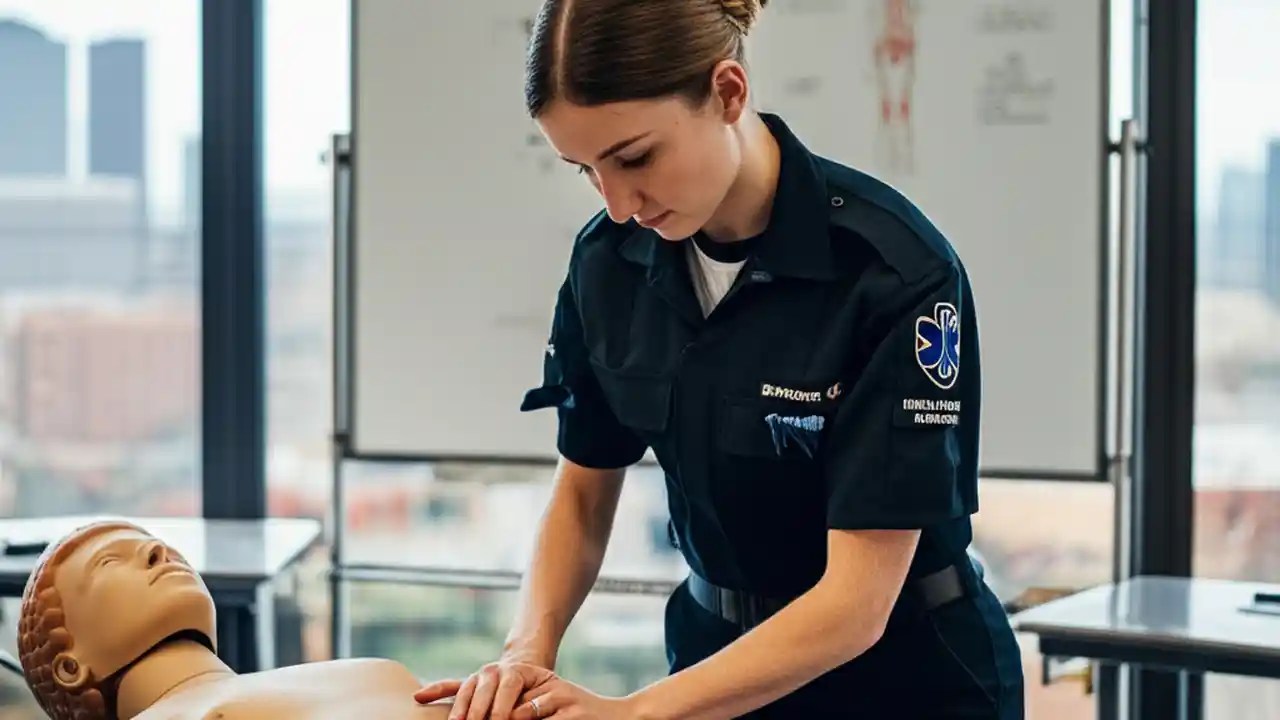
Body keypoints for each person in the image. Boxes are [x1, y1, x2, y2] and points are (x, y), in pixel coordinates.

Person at [413, 0, 1024, 718]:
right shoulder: (610, 263)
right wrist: (524, 654)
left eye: (635, 157)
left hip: (905, 680)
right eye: (586, 170)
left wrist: (632, 714)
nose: (617, 205)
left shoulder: (891, 274)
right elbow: (582, 493)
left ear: (728, 92)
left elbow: (856, 605)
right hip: (712, 665)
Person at [15, 519, 469, 720]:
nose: (160, 552)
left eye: (157, 545)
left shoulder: (377, 671)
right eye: (110, 563)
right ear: (71, 666)